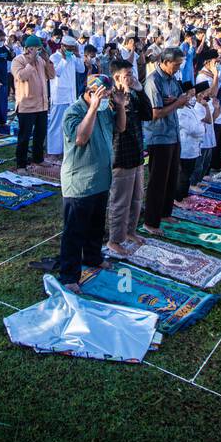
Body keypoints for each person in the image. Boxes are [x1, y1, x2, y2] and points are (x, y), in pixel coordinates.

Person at [57, 74, 123, 291]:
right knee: (74, 231)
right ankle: (69, 276)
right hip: (80, 182)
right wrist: (93, 109)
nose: (107, 99)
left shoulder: (104, 110)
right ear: (91, 93)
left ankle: (94, 257)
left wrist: (120, 106)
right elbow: (80, 138)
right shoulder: (73, 112)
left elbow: (120, 128)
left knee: (96, 226)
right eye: (104, 95)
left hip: (101, 179)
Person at [106, 59, 151, 256]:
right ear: (116, 77)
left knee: (136, 198)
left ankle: (130, 231)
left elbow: (148, 115)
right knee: (120, 201)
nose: (131, 79)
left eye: (132, 75)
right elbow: (118, 128)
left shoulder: (132, 94)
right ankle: (115, 239)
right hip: (120, 154)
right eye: (127, 75)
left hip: (136, 153)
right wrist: (122, 101)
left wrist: (140, 90)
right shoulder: (110, 98)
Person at [142, 46, 191, 231]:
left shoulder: (172, 78)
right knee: (158, 180)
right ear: (165, 62)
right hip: (159, 136)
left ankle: (165, 213)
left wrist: (178, 101)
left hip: (173, 133)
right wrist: (177, 103)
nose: (178, 68)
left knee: (171, 177)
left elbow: (175, 99)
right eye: (176, 64)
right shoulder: (153, 81)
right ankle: (150, 221)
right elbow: (155, 113)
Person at [11, 35, 56, 173]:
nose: (35, 51)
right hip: (26, 105)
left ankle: (38, 158)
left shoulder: (41, 60)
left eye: (37, 49)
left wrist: (47, 60)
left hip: (41, 104)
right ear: (26, 49)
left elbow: (52, 75)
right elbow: (21, 77)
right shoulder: (18, 60)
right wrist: (30, 62)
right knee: (24, 136)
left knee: (40, 134)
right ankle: (21, 164)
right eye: (33, 49)